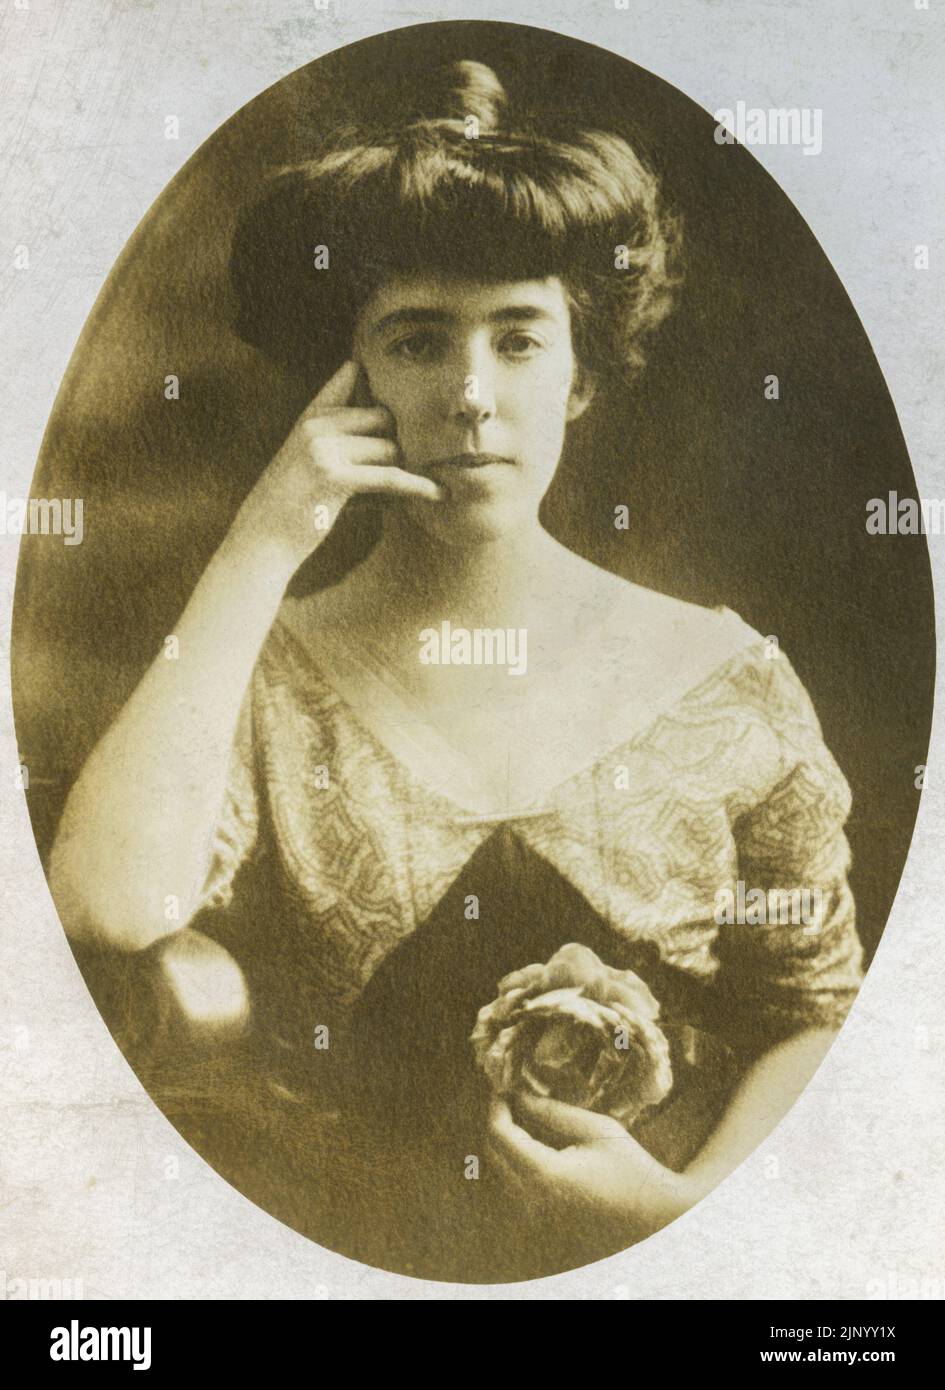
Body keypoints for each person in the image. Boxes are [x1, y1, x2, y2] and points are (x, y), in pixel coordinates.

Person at [48, 60, 864, 1281]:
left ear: (580, 379)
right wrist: (268, 537)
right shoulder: (265, 675)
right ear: (351, 381)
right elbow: (105, 904)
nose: (473, 396)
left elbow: (818, 1013)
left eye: (519, 340)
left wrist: (683, 1214)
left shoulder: (726, 677)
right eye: (418, 341)